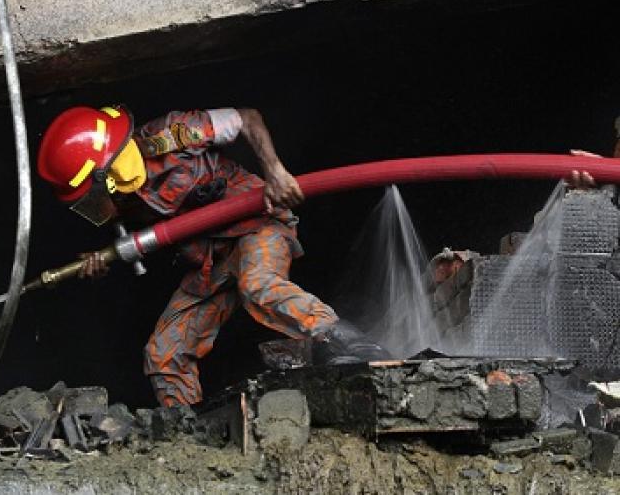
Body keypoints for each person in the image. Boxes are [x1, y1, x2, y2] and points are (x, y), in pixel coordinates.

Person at [36, 106, 389, 408]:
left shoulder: (175, 133)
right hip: (212, 258)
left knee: (258, 285)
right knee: (163, 354)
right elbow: (132, 237)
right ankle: (188, 427)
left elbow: (248, 118)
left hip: (257, 225)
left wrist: (276, 172)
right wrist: (101, 261)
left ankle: (358, 346)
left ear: (107, 171)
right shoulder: (121, 197)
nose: (95, 200)